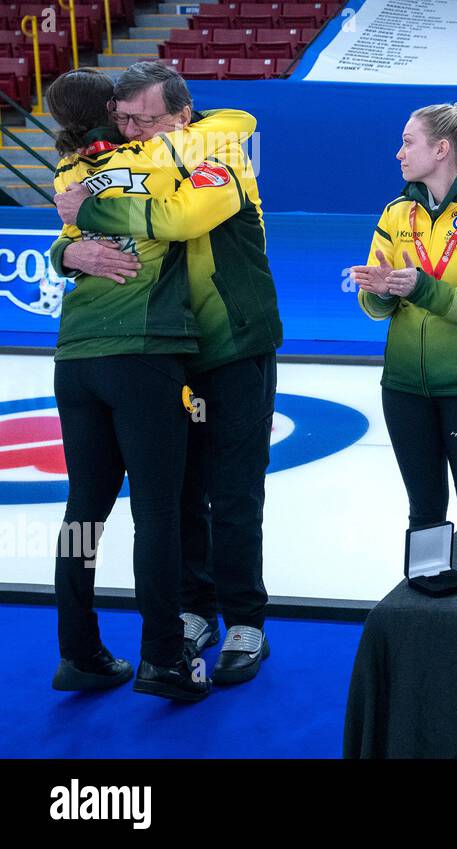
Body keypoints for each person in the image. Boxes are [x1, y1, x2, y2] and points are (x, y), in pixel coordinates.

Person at [53, 60, 281, 685]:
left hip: (230, 347)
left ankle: (244, 621)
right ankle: (189, 612)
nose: (129, 129)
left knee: (232, 490)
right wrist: (65, 248)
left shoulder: (219, 146)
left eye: (142, 119)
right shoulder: (131, 158)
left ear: (181, 114)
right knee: (176, 495)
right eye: (121, 118)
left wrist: (88, 220)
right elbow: (73, 217)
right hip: (164, 355)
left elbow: (182, 219)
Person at [45, 68, 210, 702]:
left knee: (83, 510)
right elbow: (216, 133)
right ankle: (165, 659)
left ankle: (78, 653)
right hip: (144, 353)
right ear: (115, 112)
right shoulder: (163, 155)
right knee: (158, 514)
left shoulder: (69, 175)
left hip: (77, 355)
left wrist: (65, 253)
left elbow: (70, 235)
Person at [352, 101, 457, 529]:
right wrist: (382, 294)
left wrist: (421, 287)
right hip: (404, 389)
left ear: (442, 149)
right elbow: (374, 308)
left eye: (408, 142)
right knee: (424, 513)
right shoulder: (396, 213)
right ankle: (422, 592)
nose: (399, 152)